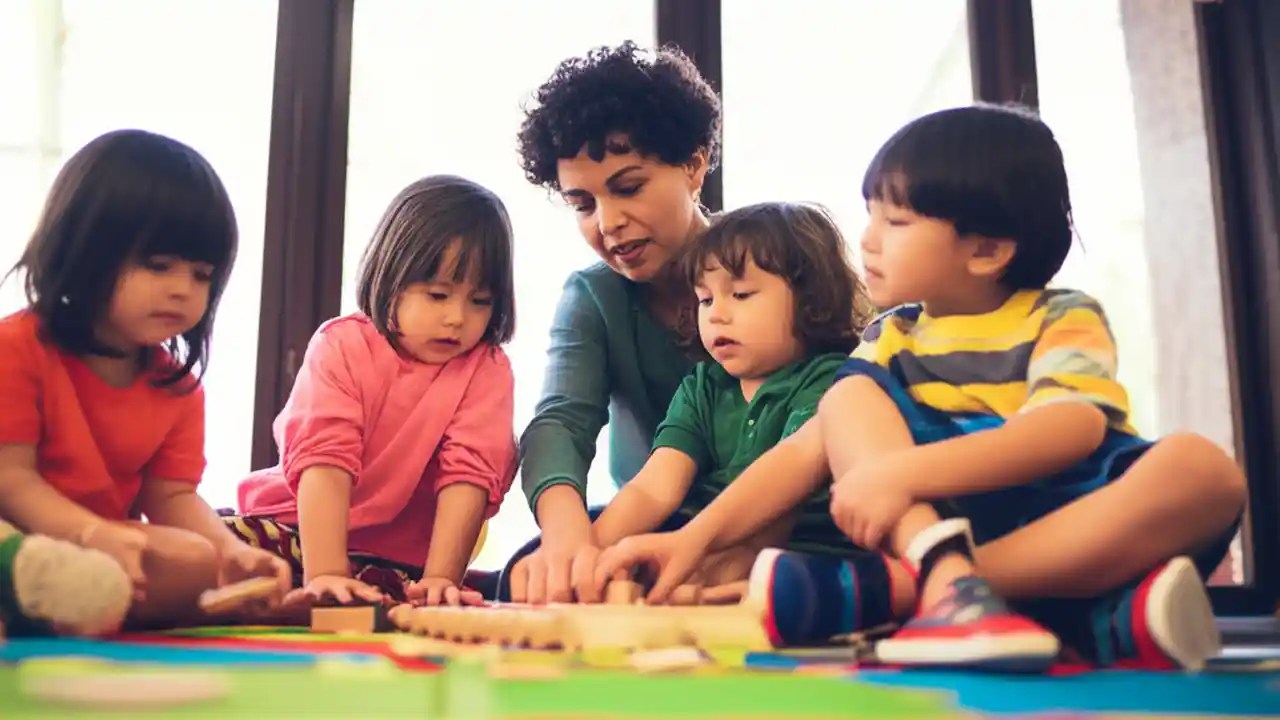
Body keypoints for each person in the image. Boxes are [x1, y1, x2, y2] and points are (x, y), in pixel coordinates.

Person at [596, 104, 1246, 672]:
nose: (869, 240)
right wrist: (695, 538)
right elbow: (802, 454)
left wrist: (905, 473)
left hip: (1065, 511)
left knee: (1207, 472)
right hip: (940, 523)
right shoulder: (892, 336)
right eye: (870, 216)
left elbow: (1070, 430)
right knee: (847, 399)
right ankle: (1077, 613)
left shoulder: (1060, 315)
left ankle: (915, 591)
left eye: (896, 223)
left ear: (987, 250)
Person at [0, 129, 291, 629]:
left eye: (202, 275)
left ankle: (61, 606)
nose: (183, 290)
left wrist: (230, 554)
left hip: (103, 552)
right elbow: (10, 479)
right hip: (18, 529)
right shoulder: (17, 347)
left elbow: (170, 497)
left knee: (195, 561)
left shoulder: (176, 387)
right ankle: (45, 597)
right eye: (158, 266)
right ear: (84, 252)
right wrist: (88, 534)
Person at [229, 175, 518, 607]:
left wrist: (440, 580)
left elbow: (469, 476)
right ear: (391, 278)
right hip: (291, 532)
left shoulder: (487, 369)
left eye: (479, 301)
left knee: (402, 599)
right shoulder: (342, 346)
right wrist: (325, 574)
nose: (458, 317)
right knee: (212, 553)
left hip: (394, 565)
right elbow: (324, 459)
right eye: (437, 295)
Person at [503, 41, 722, 603]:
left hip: (771, 525)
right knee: (527, 571)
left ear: (694, 165)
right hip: (644, 525)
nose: (609, 223)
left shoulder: (768, 262)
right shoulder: (592, 297)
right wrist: (569, 542)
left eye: (629, 188)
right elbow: (559, 424)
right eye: (583, 204)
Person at [571, 201, 872, 602]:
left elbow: (784, 495)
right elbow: (654, 488)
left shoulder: (832, 378)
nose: (716, 315)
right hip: (699, 534)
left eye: (741, 294)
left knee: (792, 580)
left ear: (811, 299)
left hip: (799, 542)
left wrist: (723, 554)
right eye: (705, 300)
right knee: (578, 538)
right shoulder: (703, 384)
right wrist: (582, 556)